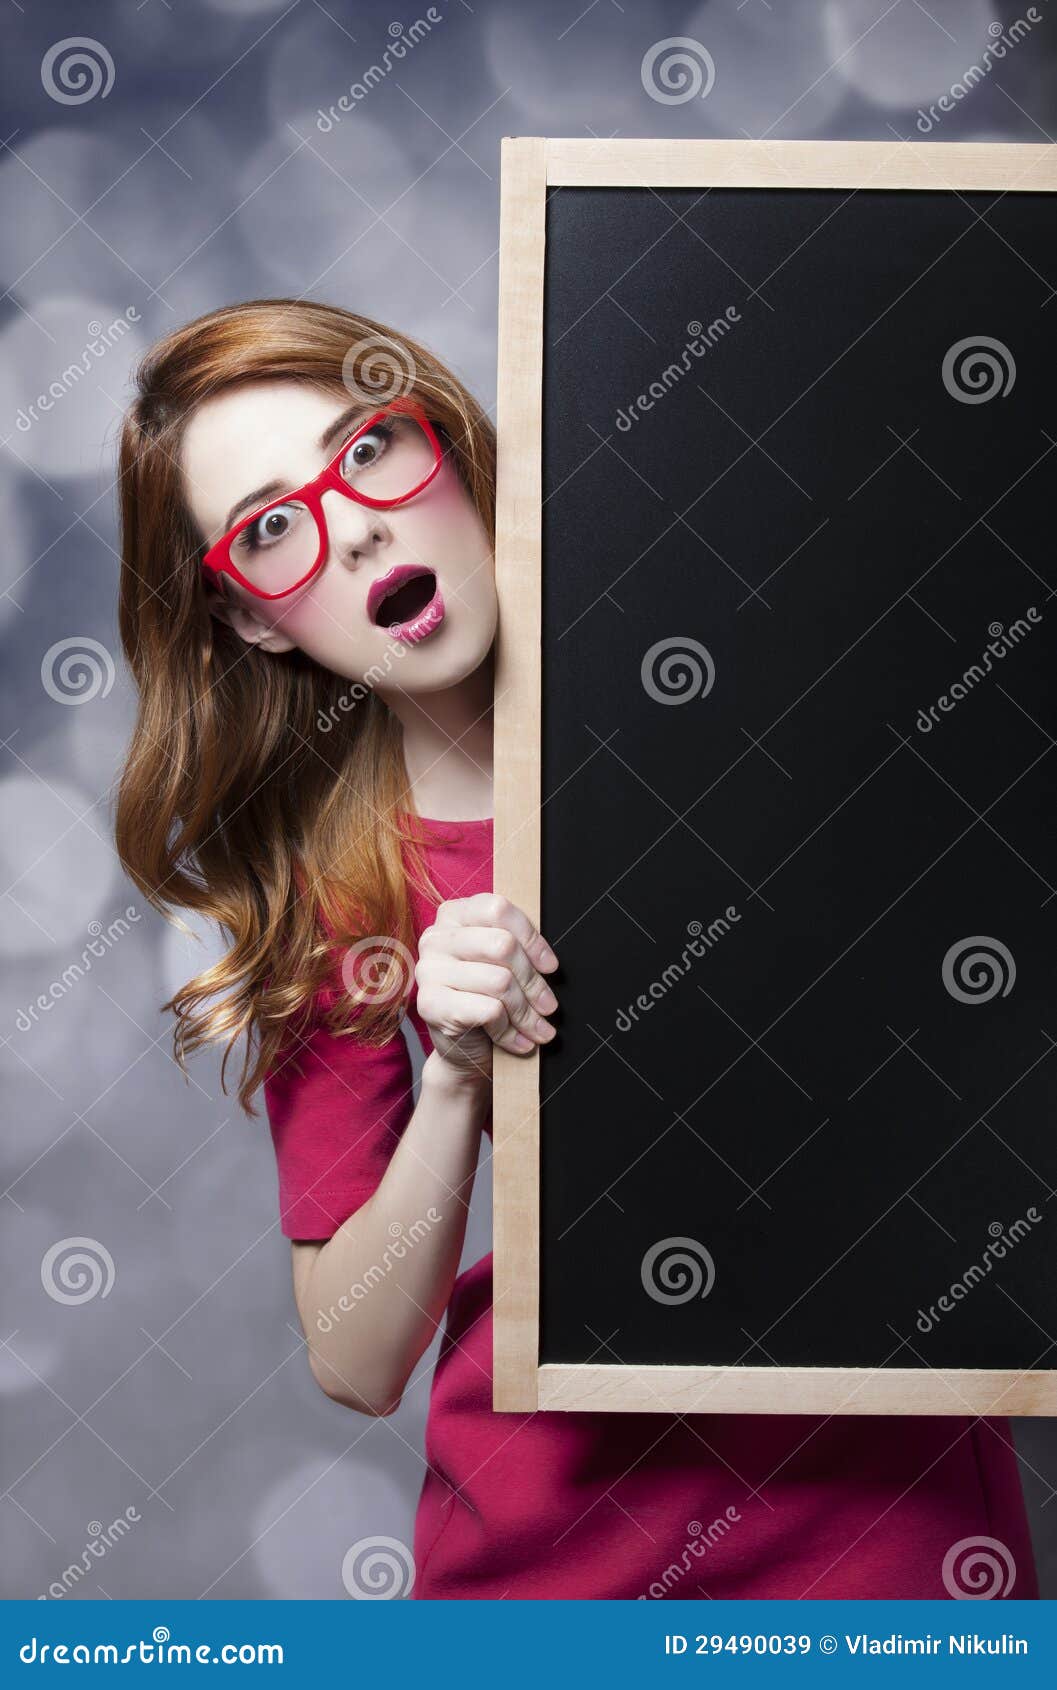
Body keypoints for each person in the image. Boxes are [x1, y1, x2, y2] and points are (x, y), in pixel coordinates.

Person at [114, 298, 1039, 1601]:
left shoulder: (770, 662)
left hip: (882, 1515)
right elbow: (355, 1354)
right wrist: (447, 1078)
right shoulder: (344, 887)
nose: (356, 521)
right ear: (256, 621)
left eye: (369, 447)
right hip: (547, 1563)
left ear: (442, 437)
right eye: (272, 528)